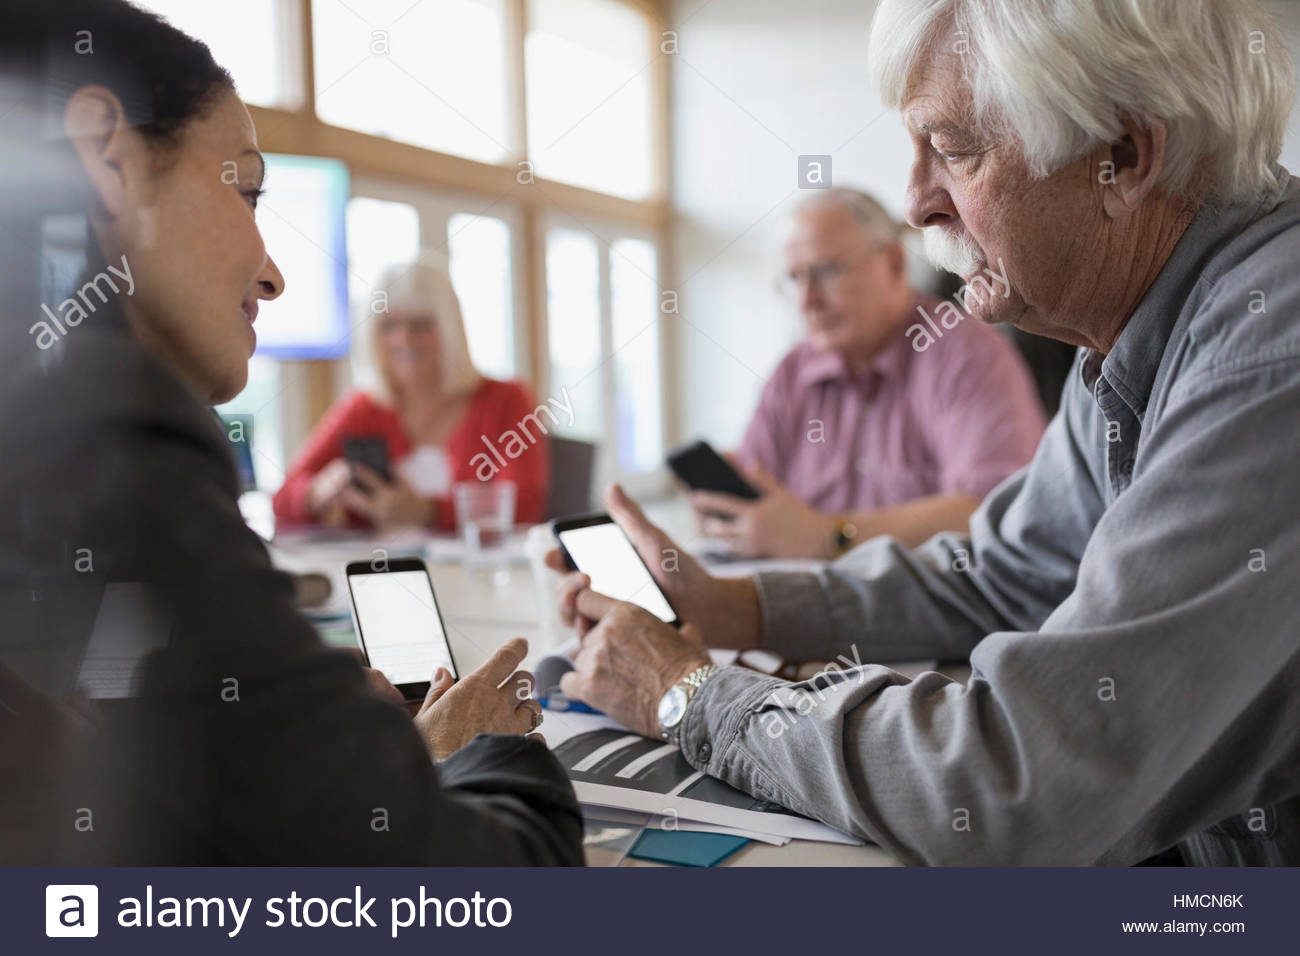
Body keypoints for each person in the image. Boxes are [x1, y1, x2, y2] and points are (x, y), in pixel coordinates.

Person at [550, 0, 1300, 866]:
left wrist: (686, 694)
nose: (913, 204)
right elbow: (997, 574)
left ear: (1124, 157)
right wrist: (733, 605)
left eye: (953, 149)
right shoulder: (1126, 336)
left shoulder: (1263, 357)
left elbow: (1015, 782)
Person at [0, 0, 580, 865]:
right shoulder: (122, 440)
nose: (272, 276)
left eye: (421, 328)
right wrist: (475, 753)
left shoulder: (501, 399)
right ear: (106, 160)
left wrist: (337, 764)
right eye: (244, 189)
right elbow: (494, 885)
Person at [694, 189, 1045, 558]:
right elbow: (758, 501)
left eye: (826, 271)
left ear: (893, 263)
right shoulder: (792, 372)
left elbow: (992, 510)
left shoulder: (967, 354)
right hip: (789, 582)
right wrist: (729, 517)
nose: (807, 301)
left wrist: (829, 537)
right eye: (795, 279)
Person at [274, 259, 549, 531]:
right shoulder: (362, 408)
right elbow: (282, 498)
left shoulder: (506, 400)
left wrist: (428, 511)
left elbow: (524, 507)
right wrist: (315, 493)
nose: (404, 339)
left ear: (450, 330)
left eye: (420, 325)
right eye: (389, 326)